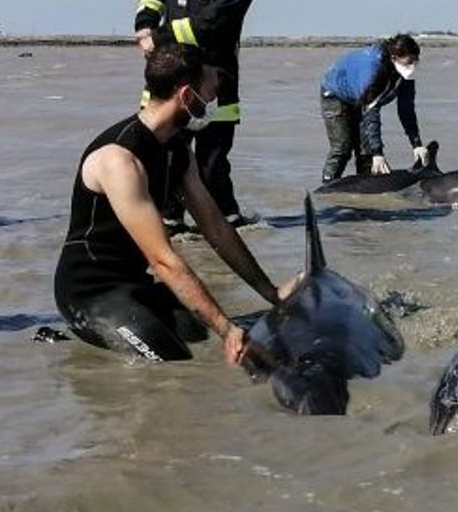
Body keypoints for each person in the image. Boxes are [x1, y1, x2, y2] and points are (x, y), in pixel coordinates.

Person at [54, 43, 290, 365]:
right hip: (89, 294)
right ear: (186, 96)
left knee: (197, 337)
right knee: (173, 361)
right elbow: (163, 259)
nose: (212, 104)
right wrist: (228, 329)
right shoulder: (119, 159)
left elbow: (216, 228)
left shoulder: (176, 151)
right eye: (209, 95)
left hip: (135, 285)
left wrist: (271, 293)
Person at [134, 0, 256, 228]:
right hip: (168, 75)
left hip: (215, 79)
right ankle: (169, 222)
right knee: (163, 154)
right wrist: (144, 25)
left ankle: (227, 224)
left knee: (211, 162)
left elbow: (215, 23)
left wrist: (158, 37)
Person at [319, 34, 427, 182]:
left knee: (366, 150)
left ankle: (365, 187)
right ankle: (326, 186)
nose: (412, 66)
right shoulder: (373, 70)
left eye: (415, 61)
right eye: (409, 62)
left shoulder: (405, 74)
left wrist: (417, 144)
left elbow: (406, 110)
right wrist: (378, 153)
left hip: (359, 96)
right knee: (343, 147)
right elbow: (371, 114)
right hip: (335, 93)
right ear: (394, 57)